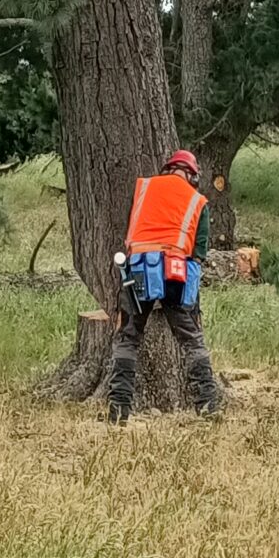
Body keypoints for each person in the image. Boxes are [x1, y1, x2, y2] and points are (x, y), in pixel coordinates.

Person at [105, 146, 222, 423]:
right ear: (192, 176)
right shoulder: (197, 201)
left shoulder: (144, 188)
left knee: (128, 337)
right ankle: (207, 407)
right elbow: (199, 252)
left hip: (138, 271)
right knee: (191, 340)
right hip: (175, 273)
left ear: (167, 169)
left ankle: (119, 410)